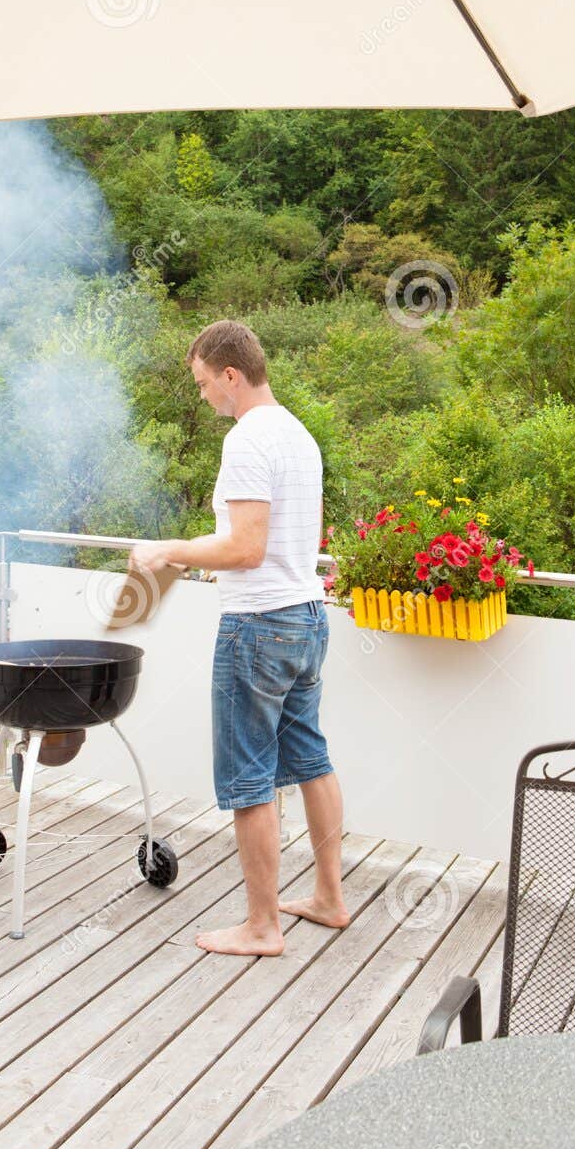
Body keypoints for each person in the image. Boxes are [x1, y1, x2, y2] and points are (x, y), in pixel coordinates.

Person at [130, 319, 347, 957]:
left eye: (203, 384)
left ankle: (261, 926)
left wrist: (168, 550)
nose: (202, 397)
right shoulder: (298, 435)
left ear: (230, 374)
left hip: (258, 626)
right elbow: (285, 540)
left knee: (249, 777)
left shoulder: (247, 438)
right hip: (307, 615)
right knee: (310, 758)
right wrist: (208, 554)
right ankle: (330, 898)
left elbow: (247, 548)